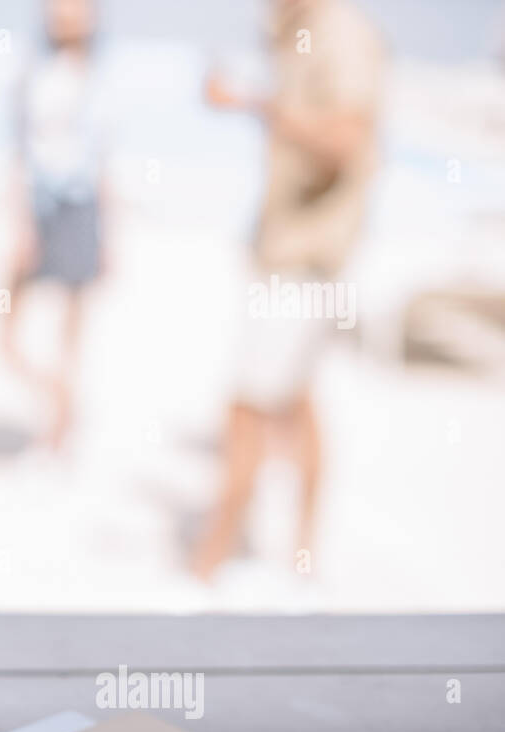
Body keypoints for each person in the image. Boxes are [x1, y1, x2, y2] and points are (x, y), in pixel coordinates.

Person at [190, 0, 384, 580]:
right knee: (295, 400)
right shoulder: (299, 30)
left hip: (308, 257)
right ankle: (303, 557)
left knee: (244, 405)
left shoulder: (341, 34)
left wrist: (255, 105)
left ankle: (208, 564)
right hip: (297, 251)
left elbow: (347, 140)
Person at [3, 0, 107, 451]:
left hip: (81, 207)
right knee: (5, 331)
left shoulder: (100, 79)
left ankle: (58, 430)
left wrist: (110, 234)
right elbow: (19, 155)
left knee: (72, 330)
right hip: (41, 205)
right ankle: (63, 402)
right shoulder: (35, 75)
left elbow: (104, 164)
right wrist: (21, 221)